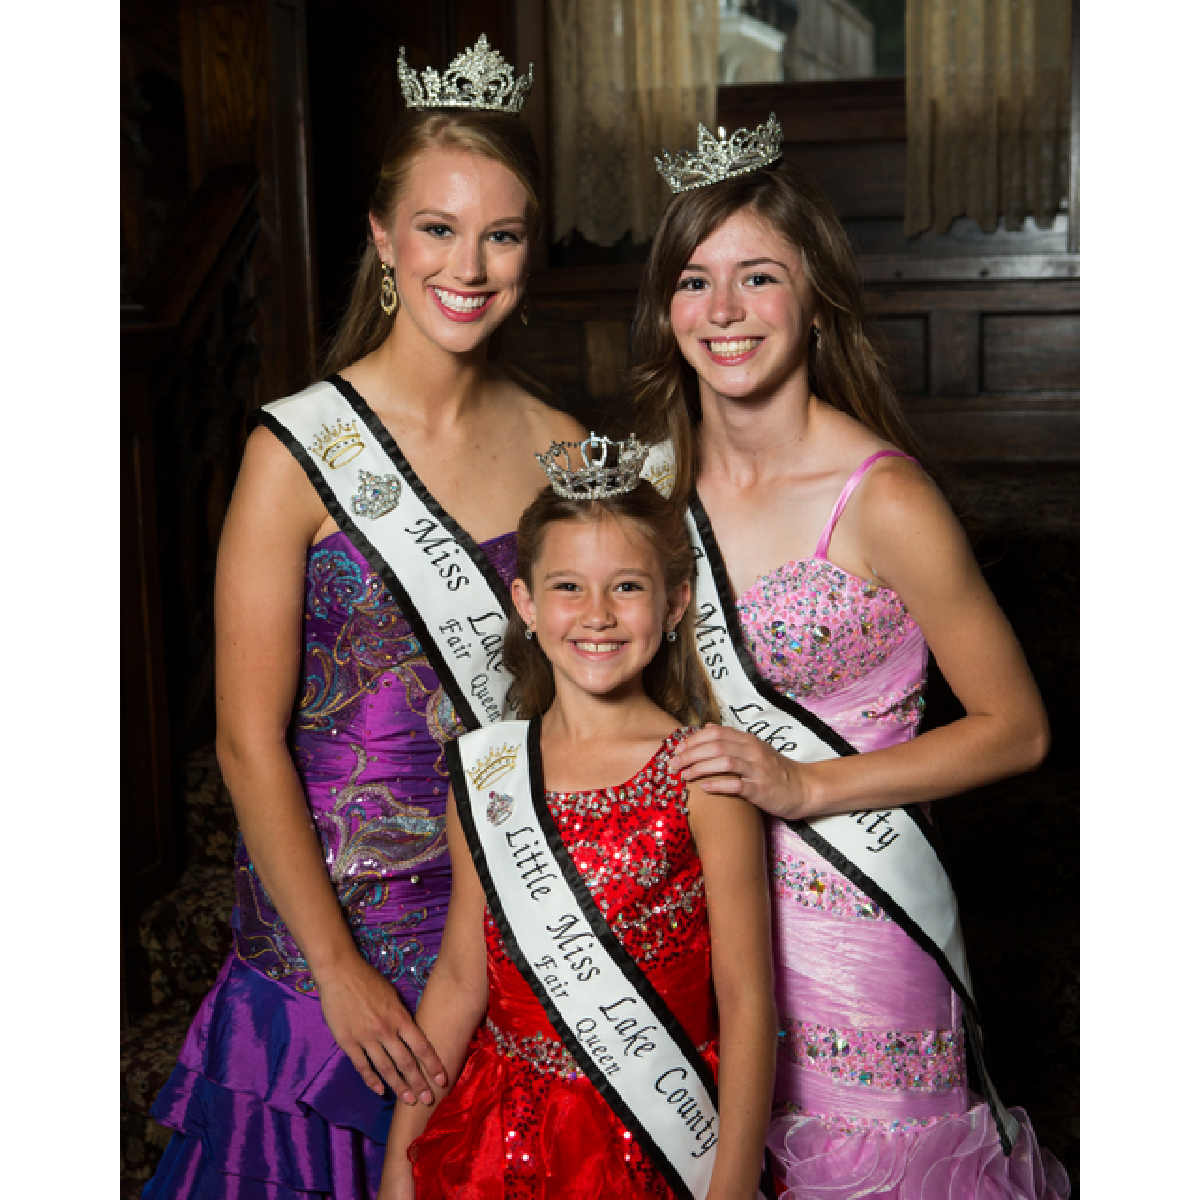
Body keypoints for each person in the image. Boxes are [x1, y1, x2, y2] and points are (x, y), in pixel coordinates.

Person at [143, 37, 585, 1199]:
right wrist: (337, 971)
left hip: (498, 933)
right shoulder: (291, 451)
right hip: (319, 949)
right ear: (385, 240)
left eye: (502, 233)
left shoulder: (569, 452)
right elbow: (244, 743)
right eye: (438, 228)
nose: (471, 265)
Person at [629, 117, 1071, 1198]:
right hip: (688, 907)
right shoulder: (645, 489)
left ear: (814, 297)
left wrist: (808, 782)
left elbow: (1018, 731)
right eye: (694, 281)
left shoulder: (886, 498)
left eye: (758, 278)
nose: (722, 312)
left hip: (859, 915)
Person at [378, 444, 777, 1200]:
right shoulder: (487, 771)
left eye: (627, 586)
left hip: (657, 1134)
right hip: (502, 1134)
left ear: (676, 602)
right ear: (526, 604)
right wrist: (401, 1165)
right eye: (568, 587)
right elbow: (462, 978)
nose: (596, 615)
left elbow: (749, 999)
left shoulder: (704, 774)